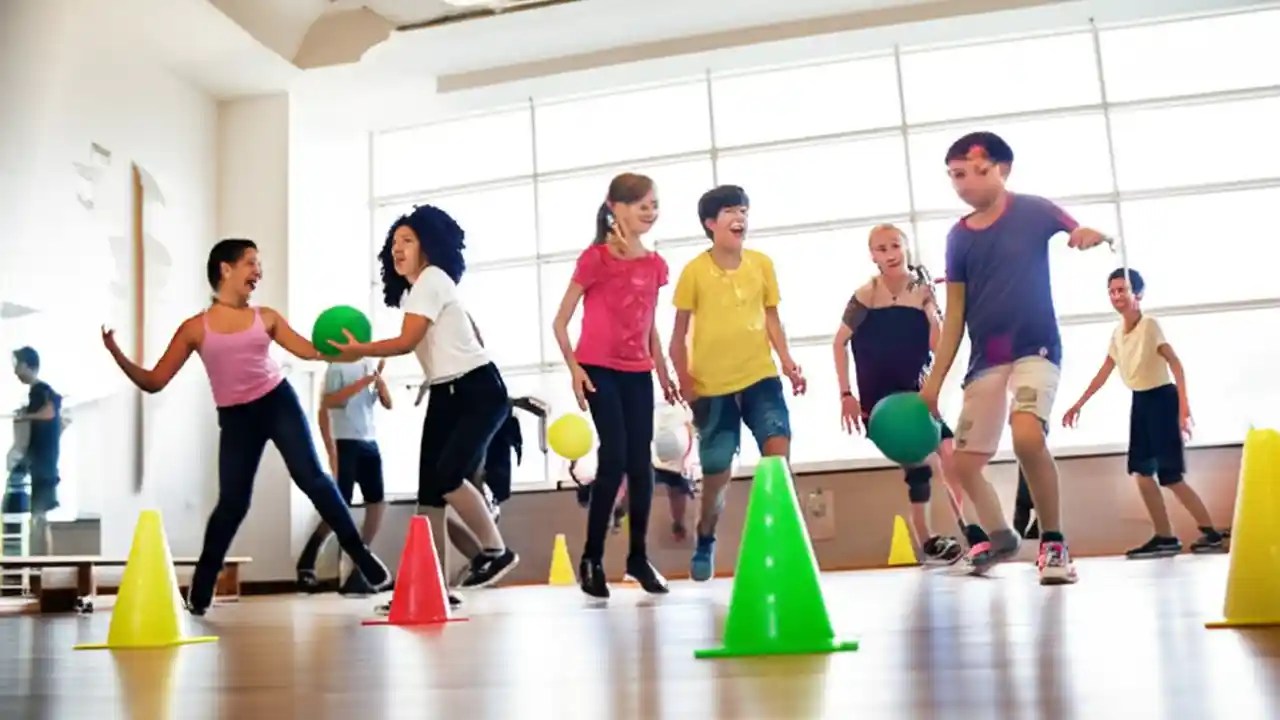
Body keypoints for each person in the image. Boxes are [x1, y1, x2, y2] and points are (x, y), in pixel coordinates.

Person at [100, 238, 393, 615]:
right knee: (233, 503)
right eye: (251, 263)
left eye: (259, 264)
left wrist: (355, 348)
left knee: (313, 478)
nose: (258, 271)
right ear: (226, 268)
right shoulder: (195, 328)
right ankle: (202, 587)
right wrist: (116, 353)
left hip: (277, 402)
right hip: (237, 417)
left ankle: (361, 557)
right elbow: (155, 380)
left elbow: (310, 350)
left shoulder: (266, 317)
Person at [919, 131, 1113, 585]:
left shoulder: (1033, 210)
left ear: (1003, 170)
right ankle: (1001, 537)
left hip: (1035, 348)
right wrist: (934, 383)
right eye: (955, 175)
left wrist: (1088, 234)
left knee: (1027, 437)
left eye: (976, 171)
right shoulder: (957, 238)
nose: (965, 183)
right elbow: (955, 318)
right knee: (963, 463)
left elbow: (1077, 228)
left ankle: (1054, 543)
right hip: (988, 358)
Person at [329, 204, 518, 590]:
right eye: (394, 242)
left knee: (448, 476)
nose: (397, 248)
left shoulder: (432, 278)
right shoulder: (421, 290)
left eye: (407, 240)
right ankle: (431, 590)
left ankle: (497, 551)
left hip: (476, 390)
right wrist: (435, 377)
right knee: (430, 495)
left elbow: (405, 342)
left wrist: (358, 349)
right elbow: (460, 335)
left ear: (427, 247)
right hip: (447, 392)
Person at [670, 184, 806, 582]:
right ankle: (705, 536)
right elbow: (678, 333)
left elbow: (772, 318)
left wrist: (788, 361)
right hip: (712, 388)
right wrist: (684, 380)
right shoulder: (695, 271)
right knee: (717, 473)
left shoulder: (761, 264)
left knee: (778, 453)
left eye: (744, 210)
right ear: (711, 223)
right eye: (730, 210)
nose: (740, 217)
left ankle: (785, 540)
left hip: (760, 376)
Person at [551, 172, 674, 598]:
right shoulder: (595, 259)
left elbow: (649, 326)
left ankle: (638, 557)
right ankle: (591, 558)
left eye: (654, 205)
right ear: (614, 207)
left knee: (643, 463)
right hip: (598, 367)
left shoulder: (656, 266)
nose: (650, 212)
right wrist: (575, 370)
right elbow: (560, 321)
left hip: (638, 370)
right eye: (642, 205)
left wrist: (664, 370)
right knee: (615, 455)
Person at [832, 225, 985, 564]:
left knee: (948, 453)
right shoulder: (866, 295)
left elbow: (939, 344)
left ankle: (971, 531)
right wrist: (846, 394)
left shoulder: (920, 290)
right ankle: (928, 538)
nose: (890, 254)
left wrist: (931, 309)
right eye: (881, 248)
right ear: (872, 255)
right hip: (881, 401)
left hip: (915, 392)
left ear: (906, 248)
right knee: (920, 462)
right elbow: (839, 341)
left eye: (895, 246)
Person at [1062, 268, 1228, 557]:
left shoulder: (1150, 325)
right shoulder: (1117, 334)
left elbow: (1175, 364)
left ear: (1137, 294)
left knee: (1171, 476)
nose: (1117, 296)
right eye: (1112, 291)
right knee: (1141, 472)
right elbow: (1105, 370)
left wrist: (1184, 408)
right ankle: (1165, 535)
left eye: (1122, 290)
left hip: (1163, 400)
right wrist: (1079, 403)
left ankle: (1211, 533)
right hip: (1140, 403)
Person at [295, 357, 392, 596]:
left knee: (377, 503)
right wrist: (331, 453)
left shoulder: (371, 363)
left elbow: (388, 404)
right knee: (339, 507)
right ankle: (307, 562)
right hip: (345, 442)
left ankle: (361, 567)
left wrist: (380, 385)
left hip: (370, 442)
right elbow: (329, 403)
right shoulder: (336, 367)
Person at [11, 347, 63, 555]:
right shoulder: (36, 394)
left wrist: (26, 417)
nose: (16, 371)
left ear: (27, 365)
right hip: (39, 463)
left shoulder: (42, 390)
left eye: (18, 365)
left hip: (44, 465)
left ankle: (44, 565)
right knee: (38, 516)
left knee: (40, 517)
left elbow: (50, 412)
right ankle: (40, 564)